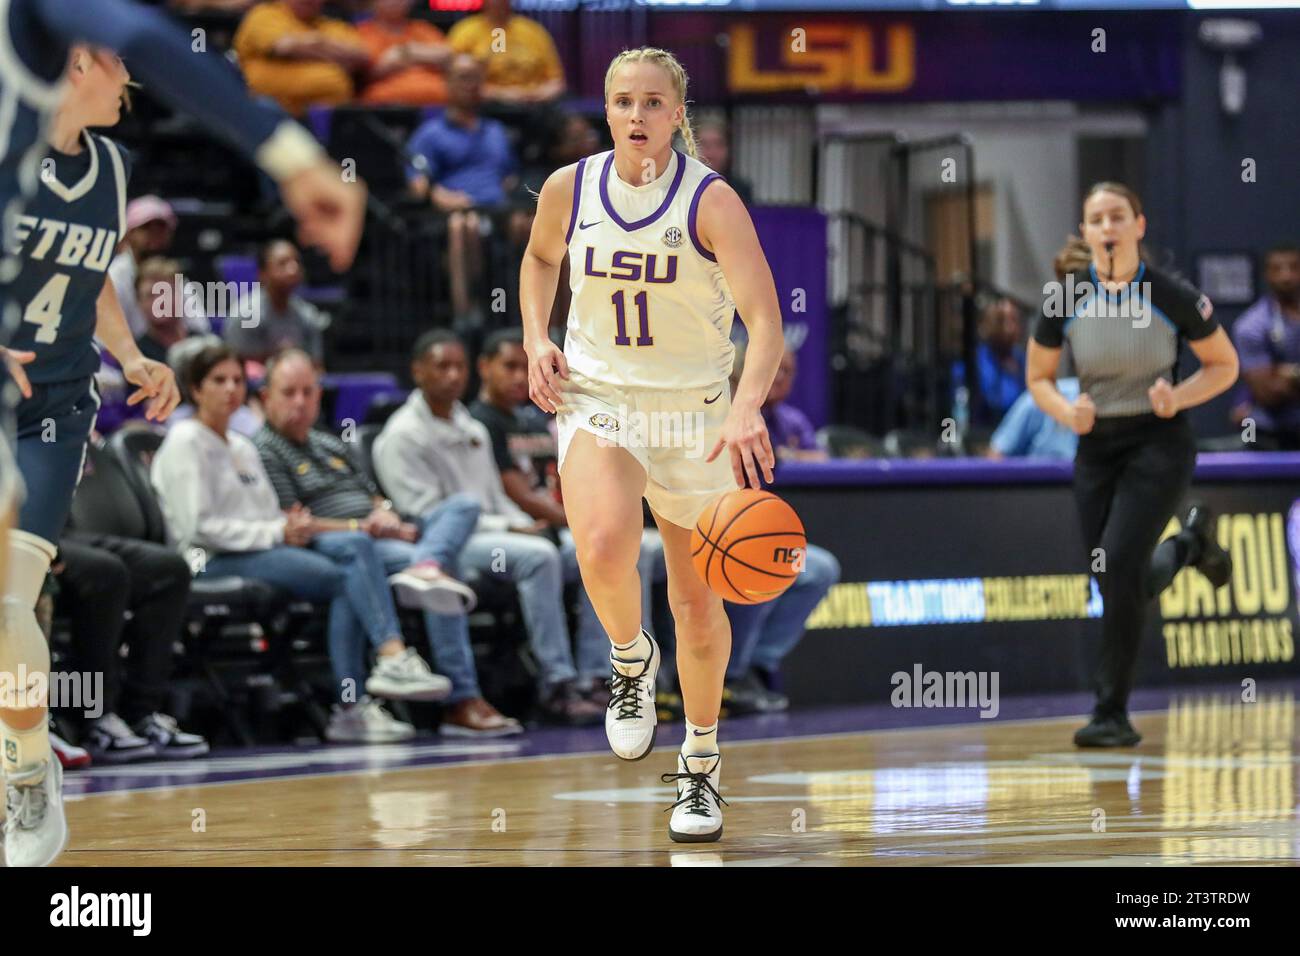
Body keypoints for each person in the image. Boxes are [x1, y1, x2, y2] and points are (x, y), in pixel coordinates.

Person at [0, 0, 364, 869]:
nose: (129, 83)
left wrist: (128, 356)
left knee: (12, 592)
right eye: (115, 69)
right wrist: (290, 154)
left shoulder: (105, 157)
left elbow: (92, 278)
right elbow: (144, 38)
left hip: (50, 393)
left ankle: (24, 769)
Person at [520, 47, 783, 842]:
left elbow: (764, 322)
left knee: (698, 606)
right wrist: (537, 338)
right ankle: (630, 661)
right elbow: (538, 259)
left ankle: (699, 765)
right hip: (600, 398)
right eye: (623, 102)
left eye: (653, 104)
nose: (637, 117)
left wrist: (746, 409)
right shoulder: (571, 187)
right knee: (601, 545)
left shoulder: (711, 202)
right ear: (607, 111)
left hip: (695, 415)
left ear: (678, 114)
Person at [1027, 181, 1240, 748]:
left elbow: (1224, 365)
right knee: (1111, 577)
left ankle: (1111, 712)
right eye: (1096, 219)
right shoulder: (1063, 298)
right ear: (1086, 231)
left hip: (1159, 441)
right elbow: (1038, 380)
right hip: (1096, 445)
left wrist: (1182, 396)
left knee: (1120, 564)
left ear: (1138, 226)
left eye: (1118, 216)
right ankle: (1191, 545)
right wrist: (1067, 411)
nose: (1108, 227)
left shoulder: (1170, 293)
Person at [151, 343, 439, 746]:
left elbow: (267, 513)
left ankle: (354, 702)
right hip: (208, 560)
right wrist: (275, 533)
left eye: (237, 380)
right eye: (219, 380)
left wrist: (291, 525)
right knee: (345, 577)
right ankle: (364, 690)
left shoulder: (241, 445)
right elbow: (199, 527)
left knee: (348, 572)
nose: (231, 389)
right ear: (196, 389)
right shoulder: (185, 441)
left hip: (257, 551)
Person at [255, 348, 521, 736]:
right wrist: (361, 526)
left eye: (308, 392)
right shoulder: (263, 449)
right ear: (266, 397)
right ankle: (449, 691)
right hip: (333, 545)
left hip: (380, 537)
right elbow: (294, 524)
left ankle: (423, 567)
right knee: (389, 561)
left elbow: (374, 495)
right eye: (288, 392)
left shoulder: (331, 443)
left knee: (462, 507)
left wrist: (385, 513)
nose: (300, 402)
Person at [372, 329, 606, 724]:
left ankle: (598, 676)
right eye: (441, 366)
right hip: (446, 545)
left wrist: (524, 523)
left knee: (589, 551)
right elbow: (427, 516)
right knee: (540, 557)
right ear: (417, 371)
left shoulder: (472, 428)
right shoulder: (400, 435)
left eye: (458, 366)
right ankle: (557, 683)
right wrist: (513, 530)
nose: (452, 375)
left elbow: (495, 499)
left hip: (494, 533)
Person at [469, 328, 618, 704]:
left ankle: (601, 674)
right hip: (512, 530)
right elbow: (515, 493)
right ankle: (557, 682)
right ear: (484, 368)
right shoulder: (480, 422)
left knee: (605, 553)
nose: (521, 376)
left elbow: (559, 482)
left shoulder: (533, 422)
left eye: (526, 367)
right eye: (509, 367)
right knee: (553, 555)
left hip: (548, 526)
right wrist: (580, 519)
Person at [52, 533, 209, 762]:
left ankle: (140, 713)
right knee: (103, 571)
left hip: (57, 529)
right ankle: (95, 717)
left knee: (169, 568)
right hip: (16, 532)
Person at [405, 54, 529, 328]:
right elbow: (418, 185)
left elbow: (511, 176)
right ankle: (467, 314)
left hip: (499, 211)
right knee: (465, 225)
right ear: (447, 84)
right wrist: (442, 197)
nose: (471, 85)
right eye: (463, 78)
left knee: (538, 225)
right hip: (458, 213)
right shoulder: (430, 134)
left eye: (476, 78)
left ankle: (547, 318)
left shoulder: (496, 131)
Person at [233, 0, 369, 117]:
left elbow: (360, 57)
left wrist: (314, 43)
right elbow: (283, 47)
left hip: (325, 121)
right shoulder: (265, 15)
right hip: (264, 111)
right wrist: (326, 47)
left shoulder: (333, 26)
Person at [108, 196, 207, 340]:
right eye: (146, 228)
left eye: (161, 229)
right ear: (129, 234)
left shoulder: (174, 275)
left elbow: (199, 326)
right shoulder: (114, 276)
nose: (154, 236)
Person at [1232, 244, 1300, 450]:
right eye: (1277, 269)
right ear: (1266, 274)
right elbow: (1268, 393)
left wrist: (1288, 374)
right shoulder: (1251, 325)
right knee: (1248, 426)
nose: (1286, 276)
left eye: (1294, 267)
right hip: (1270, 431)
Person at [224, 239, 329, 365]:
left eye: (297, 262)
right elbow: (234, 367)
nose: (293, 269)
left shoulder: (307, 314)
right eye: (283, 263)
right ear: (262, 273)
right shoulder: (245, 315)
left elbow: (317, 366)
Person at [446, 0, 564, 106]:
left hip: (534, 106)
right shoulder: (465, 31)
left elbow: (556, 81)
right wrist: (500, 94)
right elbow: (455, 81)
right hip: (486, 106)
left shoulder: (533, 31)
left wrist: (535, 95)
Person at [356, 0, 451, 107]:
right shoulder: (362, 33)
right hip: (381, 107)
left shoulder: (424, 29)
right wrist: (422, 56)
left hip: (438, 101)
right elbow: (367, 72)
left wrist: (406, 52)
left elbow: (446, 56)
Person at [952, 297, 1028, 428]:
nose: (1011, 328)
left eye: (1015, 320)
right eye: (1002, 320)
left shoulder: (1022, 359)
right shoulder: (974, 362)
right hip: (984, 432)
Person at [695, 119, 754, 208]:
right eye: (704, 145)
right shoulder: (681, 187)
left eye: (718, 144)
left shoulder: (741, 190)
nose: (711, 153)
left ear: (728, 149)